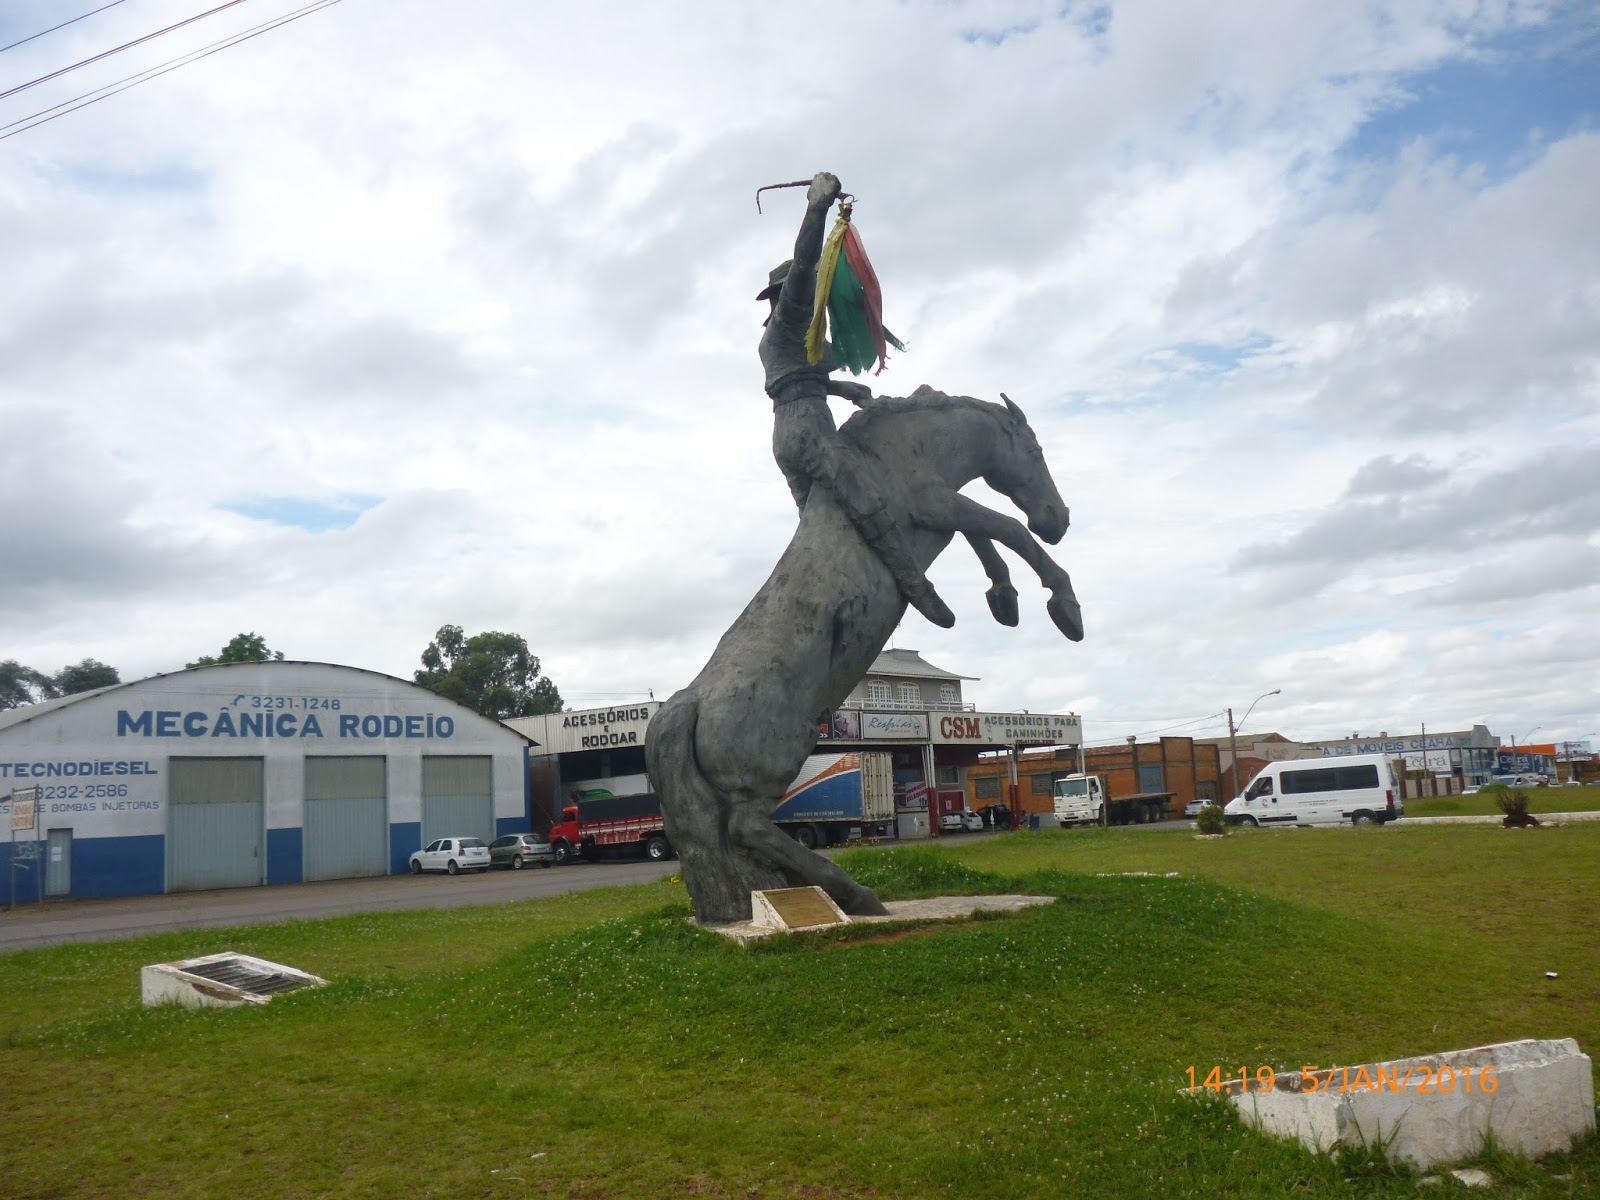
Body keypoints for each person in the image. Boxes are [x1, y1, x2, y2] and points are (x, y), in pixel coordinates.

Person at [757, 171, 955, 628]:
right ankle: (915, 585)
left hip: (789, 431)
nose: (813, 298)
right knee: (866, 499)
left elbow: (799, 379)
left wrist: (842, 388)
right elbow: (804, 266)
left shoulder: (787, 342)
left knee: (818, 529)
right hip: (809, 431)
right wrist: (816, 208)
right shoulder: (788, 324)